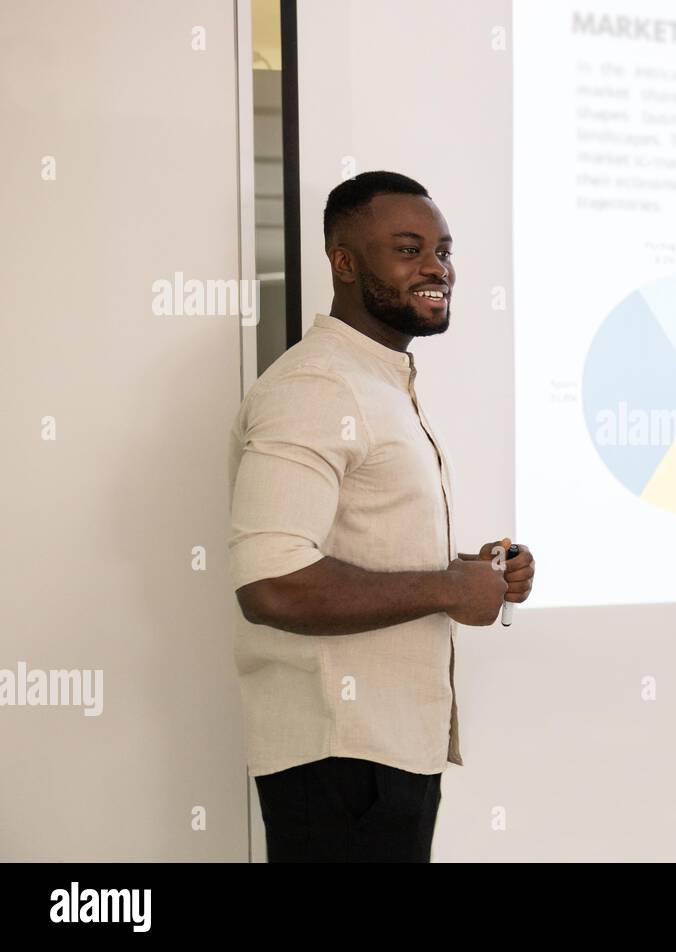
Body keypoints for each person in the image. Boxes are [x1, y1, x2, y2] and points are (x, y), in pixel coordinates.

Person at [225, 170, 535, 862]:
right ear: (344, 263)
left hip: (386, 753)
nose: (436, 267)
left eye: (443, 250)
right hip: (340, 762)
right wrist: (450, 590)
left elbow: (362, 549)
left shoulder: (377, 381)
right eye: (408, 249)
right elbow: (269, 583)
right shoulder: (315, 386)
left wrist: (473, 571)